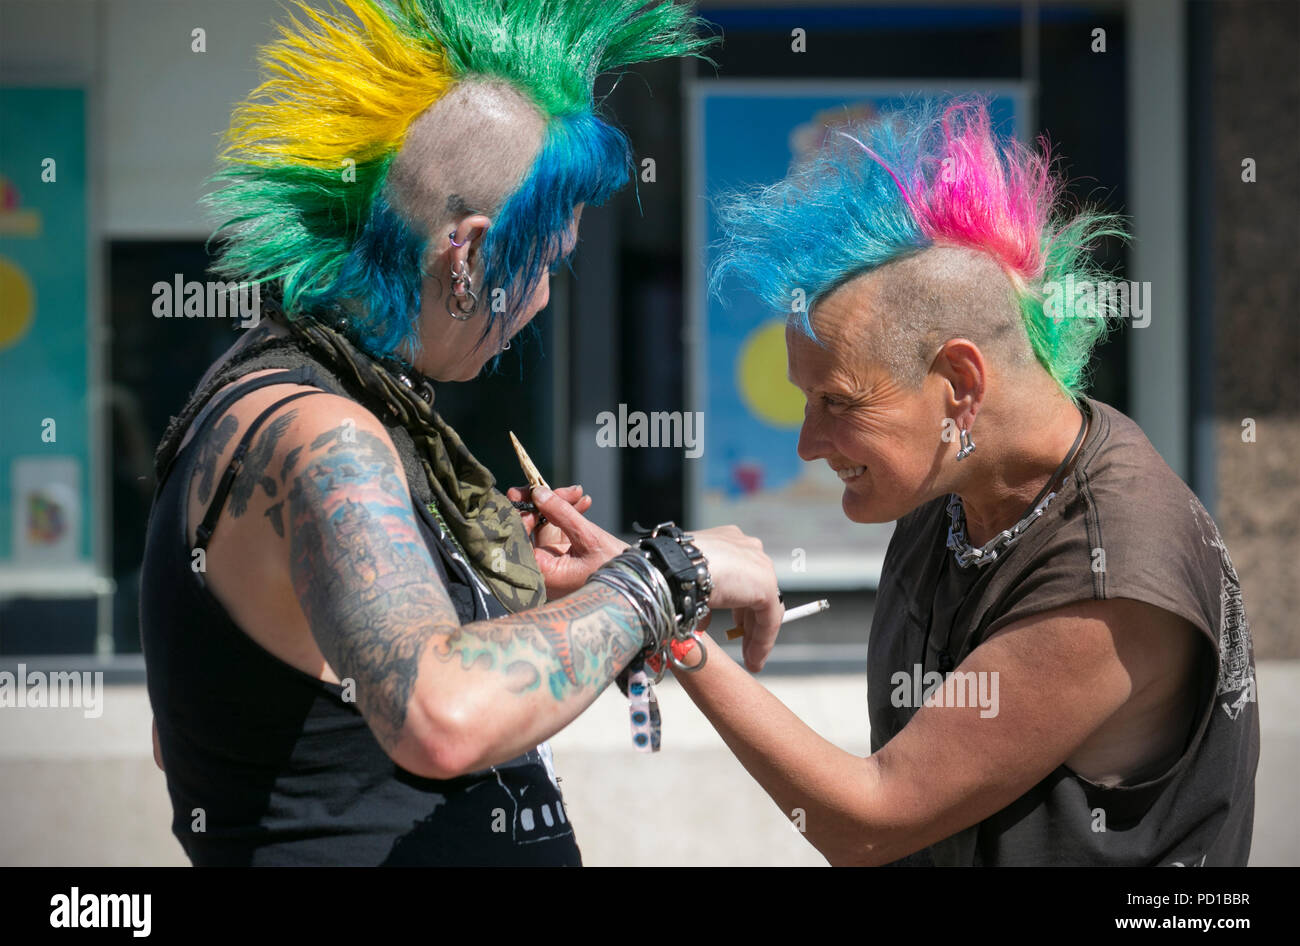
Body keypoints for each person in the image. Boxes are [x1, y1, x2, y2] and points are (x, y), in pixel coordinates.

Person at [140, 0, 783, 866]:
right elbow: (437, 714)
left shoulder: (301, 401)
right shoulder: (320, 433)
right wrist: (661, 577)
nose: (546, 299)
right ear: (470, 252)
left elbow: (260, 713)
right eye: (546, 264)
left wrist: (501, 588)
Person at [539, 98, 1260, 865]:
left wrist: (663, 613)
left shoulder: (1113, 571)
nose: (808, 444)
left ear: (958, 380)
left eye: (838, 403)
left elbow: (872, 817)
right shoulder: (954, 484)